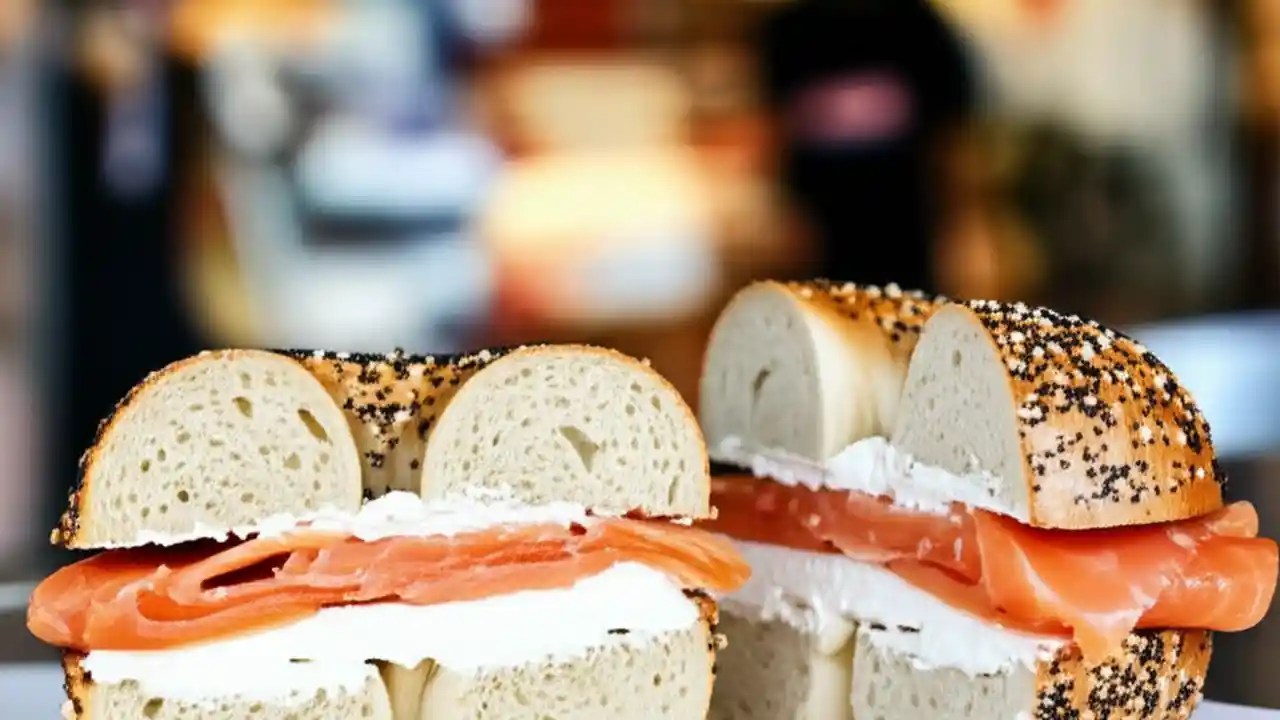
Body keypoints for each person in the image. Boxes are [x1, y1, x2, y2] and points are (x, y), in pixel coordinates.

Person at [757, 0, 975, 292]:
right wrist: (782, 210)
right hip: (821, 226)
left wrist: (962, 220)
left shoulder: (917, 23)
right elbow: (773, 127)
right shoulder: (789, 30)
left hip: (905, 220)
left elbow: (952, 133)